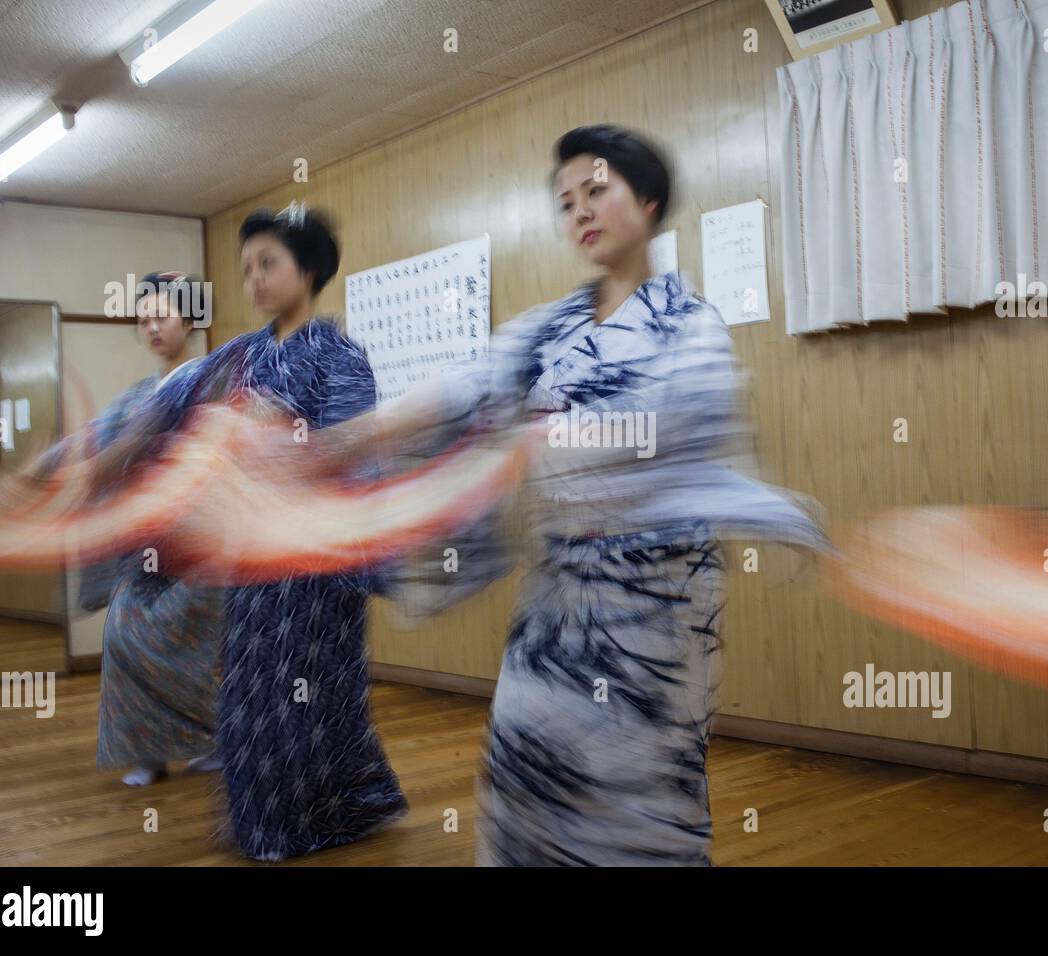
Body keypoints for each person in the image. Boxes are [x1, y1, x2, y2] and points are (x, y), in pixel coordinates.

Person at [320, 125, 829, 865]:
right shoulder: (548, 328)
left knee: (640, 796)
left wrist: (536, 442)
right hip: (558, 599)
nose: (580, 212)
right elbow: (462, 386)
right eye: (565, 203)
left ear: (648, 201)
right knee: (523, 770)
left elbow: (668, 449)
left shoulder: (691, 329)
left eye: (597, 190)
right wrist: (342, 441)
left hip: (655, 606)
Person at [87, 204, 409, 861]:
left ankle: (304, 821)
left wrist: (267, 434)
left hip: (317, 559)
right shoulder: (241, 356)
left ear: (309, 269)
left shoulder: (340, 357)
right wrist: (97, 465)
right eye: (247, 268)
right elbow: (166, 414)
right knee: (248, 694)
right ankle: (326, 807)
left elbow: (349, 454)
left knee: (311, 692)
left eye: (269, 264)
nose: (254, 279)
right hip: (255, 558)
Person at [84, 272, 223, 787]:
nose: (151, 327)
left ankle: (212, 740)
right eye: (143, 320)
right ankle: (149, 753)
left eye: (161, 316)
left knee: (198, 647)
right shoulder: (137, 395)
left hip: (198, 540)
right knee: (123, 635)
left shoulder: (210, 380)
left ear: (188, 320)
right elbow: (95, 443)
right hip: (145, 545)